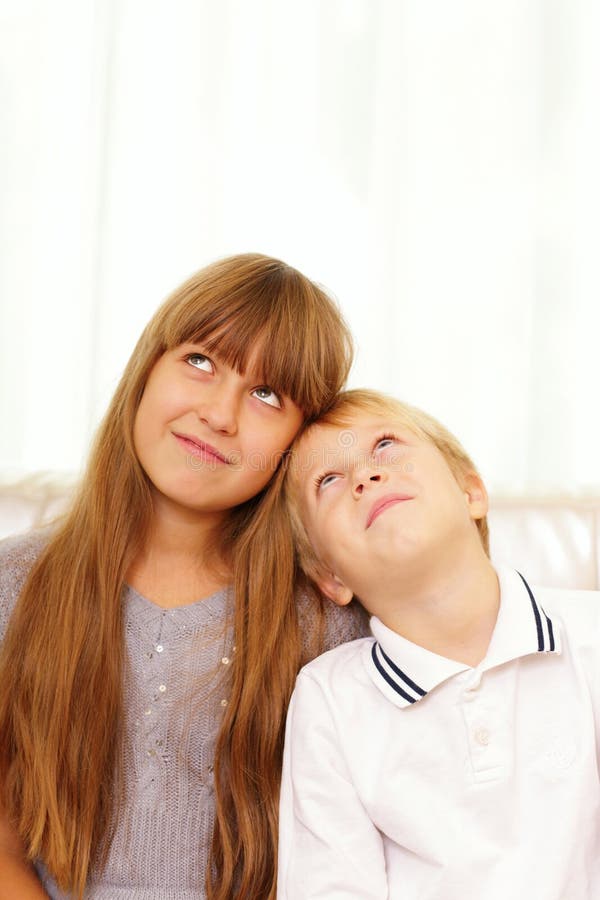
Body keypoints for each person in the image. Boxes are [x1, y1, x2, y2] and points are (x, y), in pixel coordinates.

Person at [0, 254, 368, 900]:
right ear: (147, 368)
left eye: (267, 395)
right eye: (200, 361)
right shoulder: (17, 582)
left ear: (298, 440)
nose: (220, 414)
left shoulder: (328, 620)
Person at [278, 388, 600, 900]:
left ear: (471, 493)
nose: (364, 476)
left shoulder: (589, 634)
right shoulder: (330, 700)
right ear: (329, 577)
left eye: (385, 445)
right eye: (329, 480)